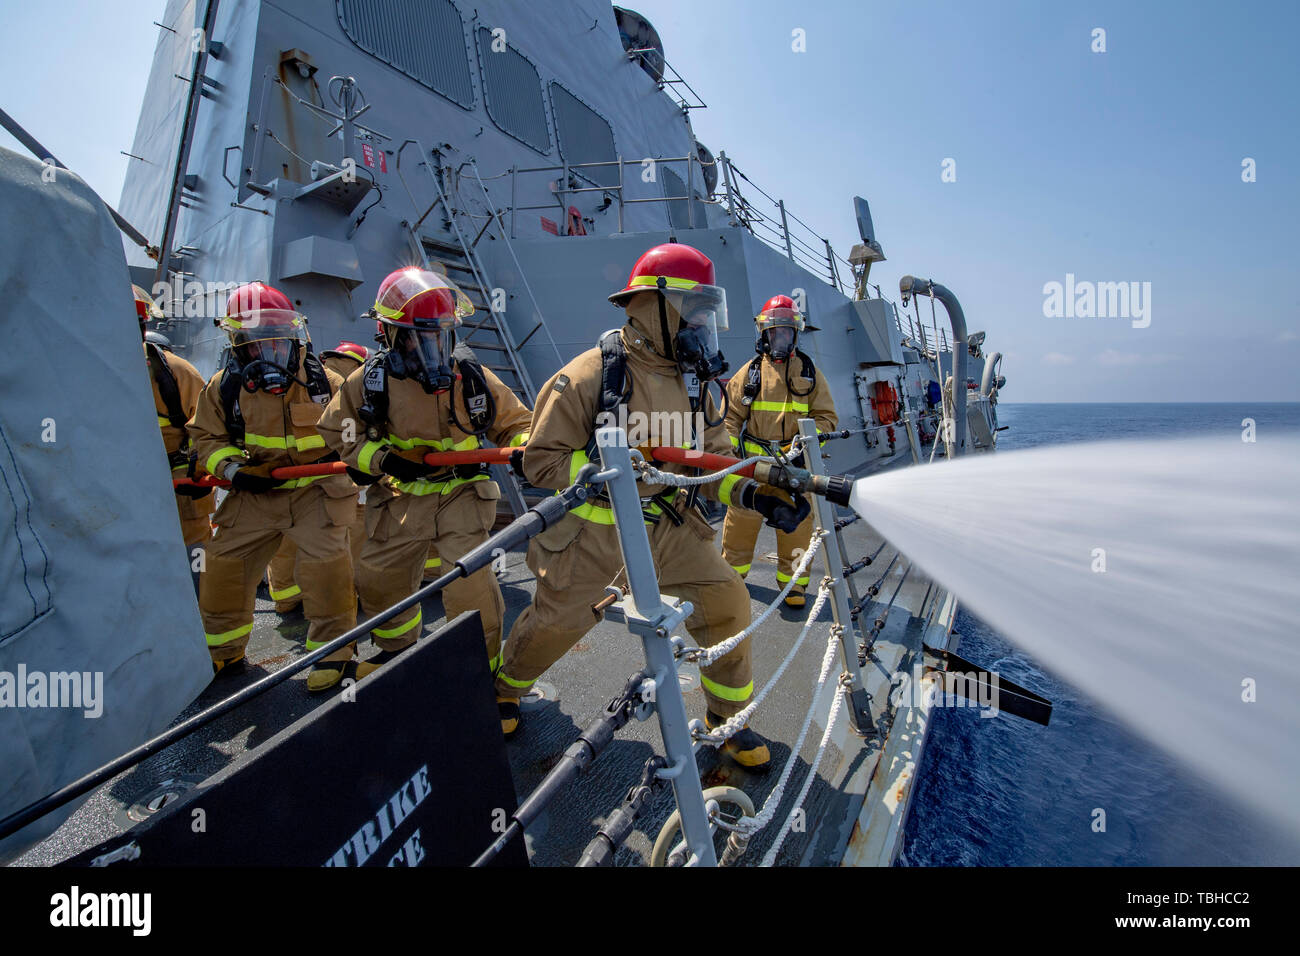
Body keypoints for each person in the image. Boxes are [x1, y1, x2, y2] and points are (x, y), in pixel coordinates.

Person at [492, 243, 807, 769]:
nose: (704, 323)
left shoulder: (697, 383)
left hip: (671, 527)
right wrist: (603, 468)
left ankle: (726, 720)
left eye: (709, 311)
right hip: (598, 535)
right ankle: (504, 687)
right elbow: (540, 461)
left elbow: (713, 463)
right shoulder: (591, 375)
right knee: (556, 624)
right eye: (696, 310)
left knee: (726, 596)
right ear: (655, 308)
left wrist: (754, 494)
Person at [318, 267, 531, 681]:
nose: (432, 347)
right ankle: (397, 650)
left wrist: (523, 444)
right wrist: (382, 460)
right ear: (390, 335)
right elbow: (340, 433)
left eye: (439, 336)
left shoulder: (470, 376)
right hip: (399, 497)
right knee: (380, 580)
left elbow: (517, 421)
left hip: (463, 495)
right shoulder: (369, 382)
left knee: (470, 587)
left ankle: (480, 673)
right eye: (419, 336)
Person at [187, 283, 357, 688]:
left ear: (293, 334)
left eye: (277, 338)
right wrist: (232, 472)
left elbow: (354, 434)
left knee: (326, 567)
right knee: (223, 565)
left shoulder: (326, 382)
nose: (270, 350)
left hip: (315, 488)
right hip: (254, 490)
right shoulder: (222, 388)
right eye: (256, 341)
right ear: (239, 345)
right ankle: (222, 653)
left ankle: (334, 652)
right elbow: (206, 439)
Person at [721, 294, 837, 608]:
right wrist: (733, 458)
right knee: (740, 523)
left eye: (786, 331)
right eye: (775, 331)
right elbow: (729, 418)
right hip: (754, 465)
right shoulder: (749, 374)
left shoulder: (810, 374)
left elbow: (827, 418)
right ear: (765, 334)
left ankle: (794, 586)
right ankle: (733, 578)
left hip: (795, 465)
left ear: (795, 334)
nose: (780, 337)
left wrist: (805, 443)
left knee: (797, 525)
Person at [265, 340, 370, 613]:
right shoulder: (346, 385)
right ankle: (348, 596)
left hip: (278, 483)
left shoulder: (297, 381)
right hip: (339, 480)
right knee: (344, 540)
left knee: (285, 543)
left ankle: (286, 597)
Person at [135, 285, 212, 586]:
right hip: (118, 494)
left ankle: (197, 620)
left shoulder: (177, 374)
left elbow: (207, 428)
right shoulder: (80, 374)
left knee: (193, 568)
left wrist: (193, 466)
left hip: (180, 494)